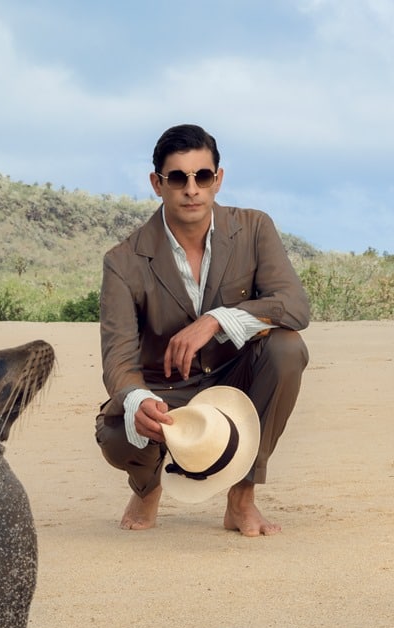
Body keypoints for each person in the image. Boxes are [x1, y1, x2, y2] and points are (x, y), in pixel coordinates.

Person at [96, 124, 310, 536]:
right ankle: (146, 487)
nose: (191, 189)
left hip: (236, 377)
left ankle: (242, 498)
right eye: (177, 177)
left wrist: (215, 320)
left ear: (218, 179)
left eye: (202, 176)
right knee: (117, 430)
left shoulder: (254, 228)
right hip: (167, 390)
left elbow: (295, 307)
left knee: (287, 348)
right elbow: (118, 358)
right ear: (157, 184)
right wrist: (139, 401)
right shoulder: (122, 261)